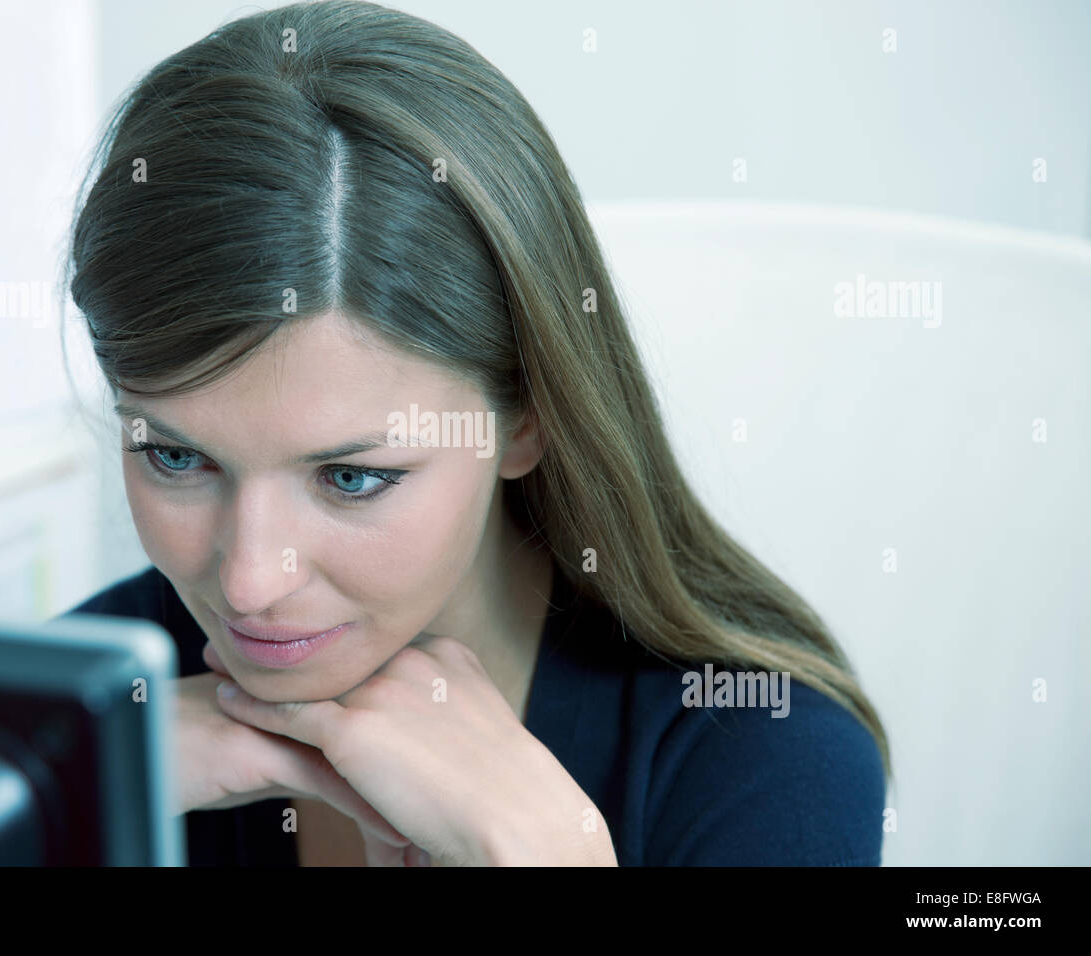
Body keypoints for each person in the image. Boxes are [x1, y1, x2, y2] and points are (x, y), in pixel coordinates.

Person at [59, 0, 891, 867]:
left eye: (352, 478)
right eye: (176, 457)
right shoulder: (59, 719)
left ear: (526, 416)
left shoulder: (763, 761)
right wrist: (56, 807)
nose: (249, 581)